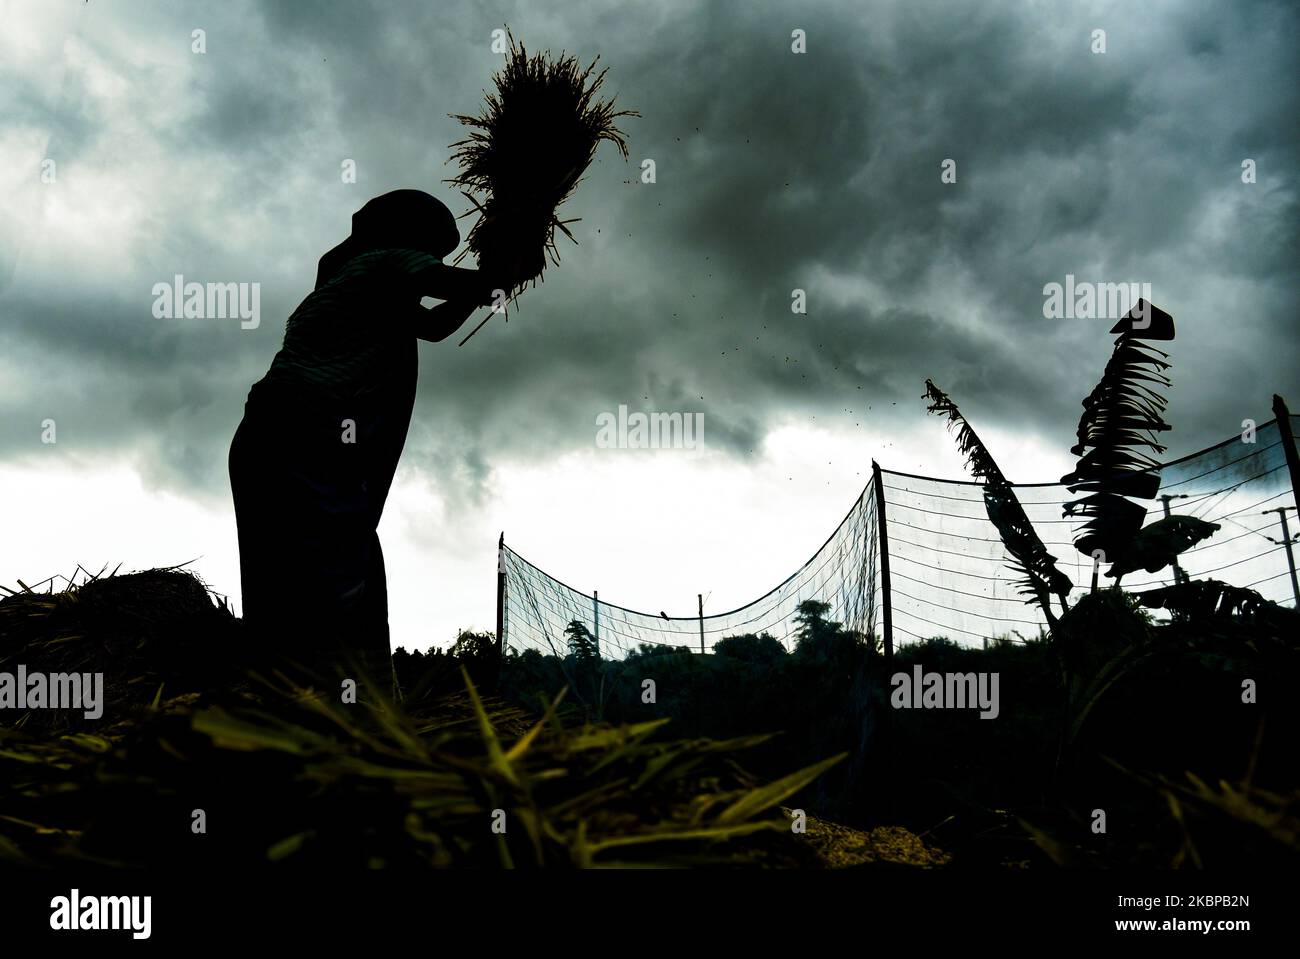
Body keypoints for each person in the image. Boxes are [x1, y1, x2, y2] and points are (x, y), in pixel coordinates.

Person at [228, 189, 498, 693]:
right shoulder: (386, 262)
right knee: (344, 576)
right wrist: (507, 255)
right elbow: (477, 289)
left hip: (263, 440)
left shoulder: (349, 281)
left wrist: (493, 277)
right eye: (432, 253)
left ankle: (283, 698)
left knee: (282, 582)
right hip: (301, 442)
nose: (431, 264)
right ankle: (351, 710)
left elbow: (436, 326)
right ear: (410, 239)